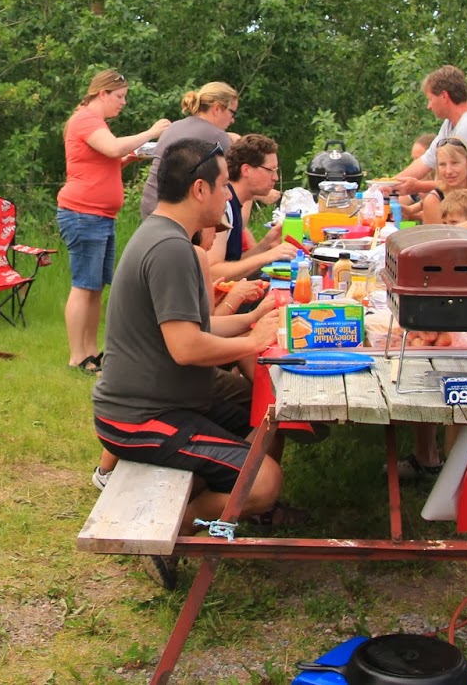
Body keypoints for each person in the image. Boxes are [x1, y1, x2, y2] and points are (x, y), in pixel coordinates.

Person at [93, 138, 285, 552]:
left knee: (268, 415)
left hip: (170, 399)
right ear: (199, 189)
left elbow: (194, 326)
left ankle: (214, 483)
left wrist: (252, 319)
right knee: (265, 480)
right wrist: (252, 340)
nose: (226, 197)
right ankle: (175, 527)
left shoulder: (164, 236)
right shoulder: (171, 249)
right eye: (221, 188)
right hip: (141, 418)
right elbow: (186, 347)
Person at [58, 70, 171, 373]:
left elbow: (103, 161)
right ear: (102, 93)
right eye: (119, 97)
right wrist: (151, 132)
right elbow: (111, 147)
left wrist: (128, 159)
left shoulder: (97, 123)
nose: (122, 103)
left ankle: (91, 352)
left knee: (95, 287)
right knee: (83, 286)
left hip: (100, 215)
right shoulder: (85, 120)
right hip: (82, 213)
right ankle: (76, 356)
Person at [389, 66, 467, 205]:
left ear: (444, 96)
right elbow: (426, 160)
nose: (429, 106)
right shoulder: (450, 124)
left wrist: (418, 187)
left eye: (430, 99)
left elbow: (465, 183)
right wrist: (385, 185)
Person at [203, 135, 300, 282]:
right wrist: (267, 256)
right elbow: (212, 272)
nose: (276, 178)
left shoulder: (235, 204)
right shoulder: (223, 205)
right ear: (246, 170)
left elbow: (233, 265)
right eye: (270, 170)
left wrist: (265, 246)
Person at [138, 81, 240, 217]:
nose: (232, 120)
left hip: (150, 206)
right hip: (177, 213)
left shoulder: (175, 126)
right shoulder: (217, 136)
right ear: (217, 108)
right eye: (232, 112)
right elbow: (238, 179)